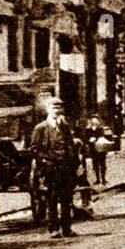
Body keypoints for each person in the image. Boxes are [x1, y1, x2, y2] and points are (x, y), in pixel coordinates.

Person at [31, 99, 80, 237]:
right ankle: (54, 229)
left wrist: (76, 165)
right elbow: (34, 149)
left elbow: (71, 146)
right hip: (50, 169)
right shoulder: (40, 128)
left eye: (59, 108)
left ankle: (67, 228)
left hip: (65, 168)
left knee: (66, 199)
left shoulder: (64, 127)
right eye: (54, 108)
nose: (57, 111)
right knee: (51, 200)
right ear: (47, 110)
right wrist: (46, 159)